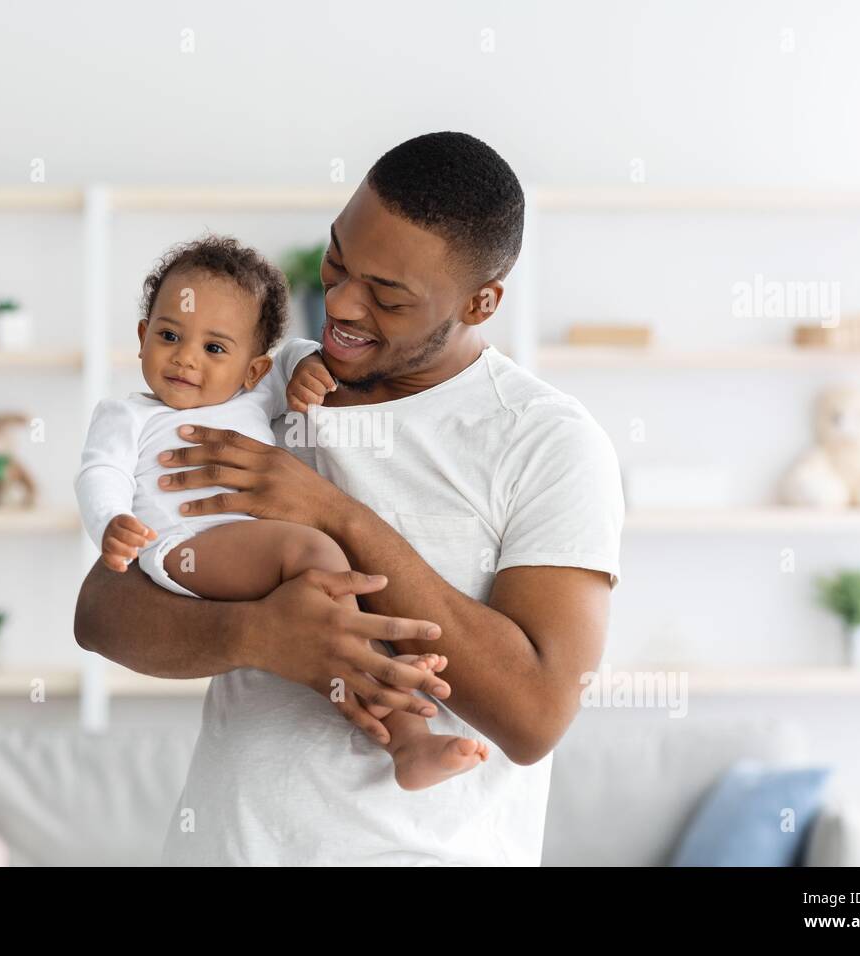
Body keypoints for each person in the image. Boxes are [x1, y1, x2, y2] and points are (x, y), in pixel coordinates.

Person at [74, 131, 624, 865]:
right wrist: (260, 635)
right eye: (337, 262)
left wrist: (331, 512)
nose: (339, 305)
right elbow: (102, 612)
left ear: (481, 301)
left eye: (388, 296)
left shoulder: (546, 442)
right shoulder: (258, 386)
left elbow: (536, 715)